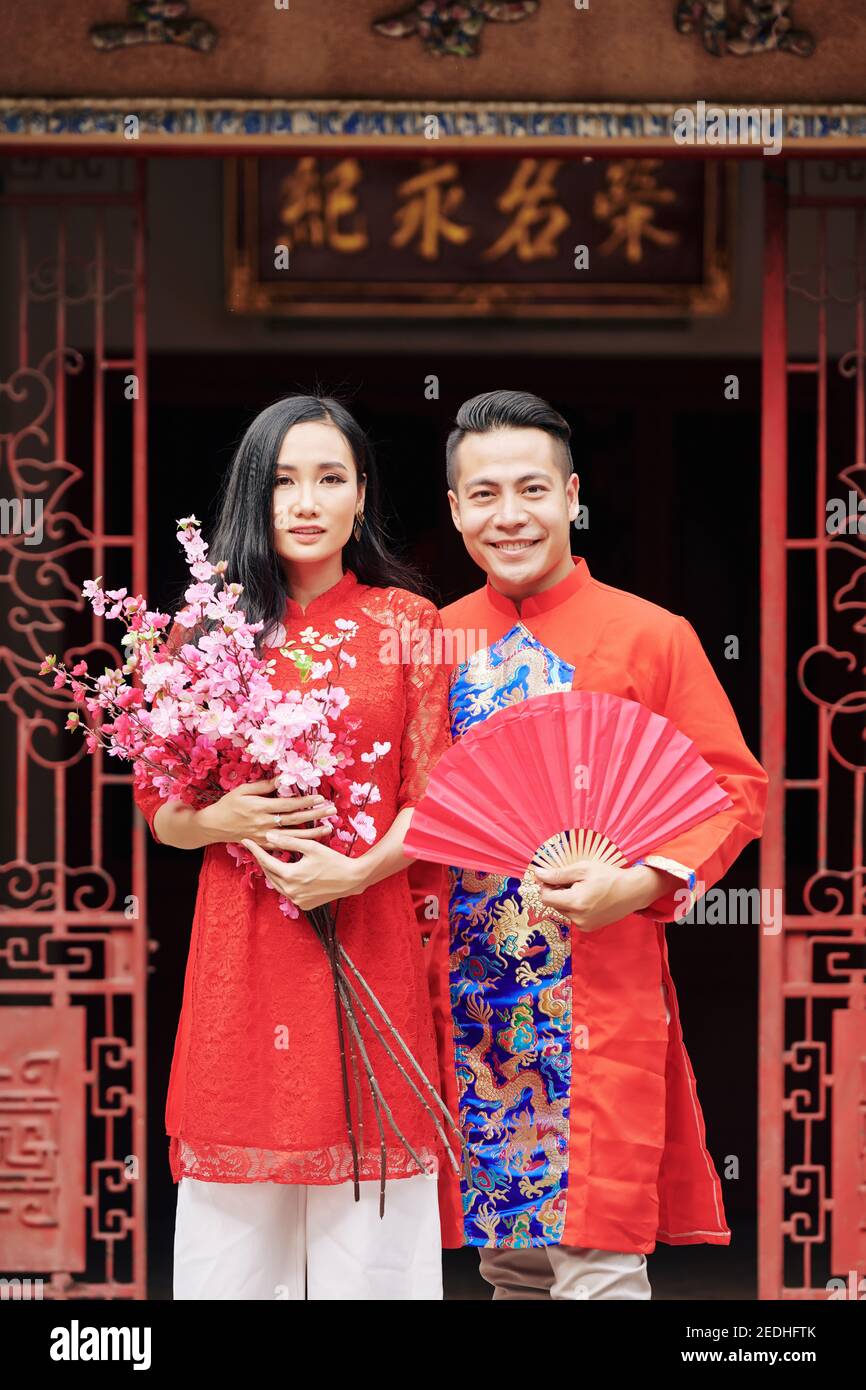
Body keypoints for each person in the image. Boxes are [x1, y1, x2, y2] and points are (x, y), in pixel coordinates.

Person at [417, 389, 768, 1300]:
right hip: (469, 1000)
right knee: (512, 1267)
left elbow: (734, 791)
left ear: (572, 495)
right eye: (483, 494)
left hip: (600, 993)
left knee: (598, 1263)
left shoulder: (654, 635)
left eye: (531, 489)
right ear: (454, 509)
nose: (510, 515)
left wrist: (644, 879)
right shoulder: (428, 643)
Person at [133, 394, 451, 1300]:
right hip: (246, 947)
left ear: (362, 497)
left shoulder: (408, 622)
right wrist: (222, 819)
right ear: (252, 496)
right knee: (233, 1255)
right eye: (282, 481)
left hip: (369, 938)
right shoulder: (209, 629)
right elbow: (161, 808)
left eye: (329, 478)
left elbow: (435, 801)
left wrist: (355, 871)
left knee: (374, 1250)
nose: (305, 500)